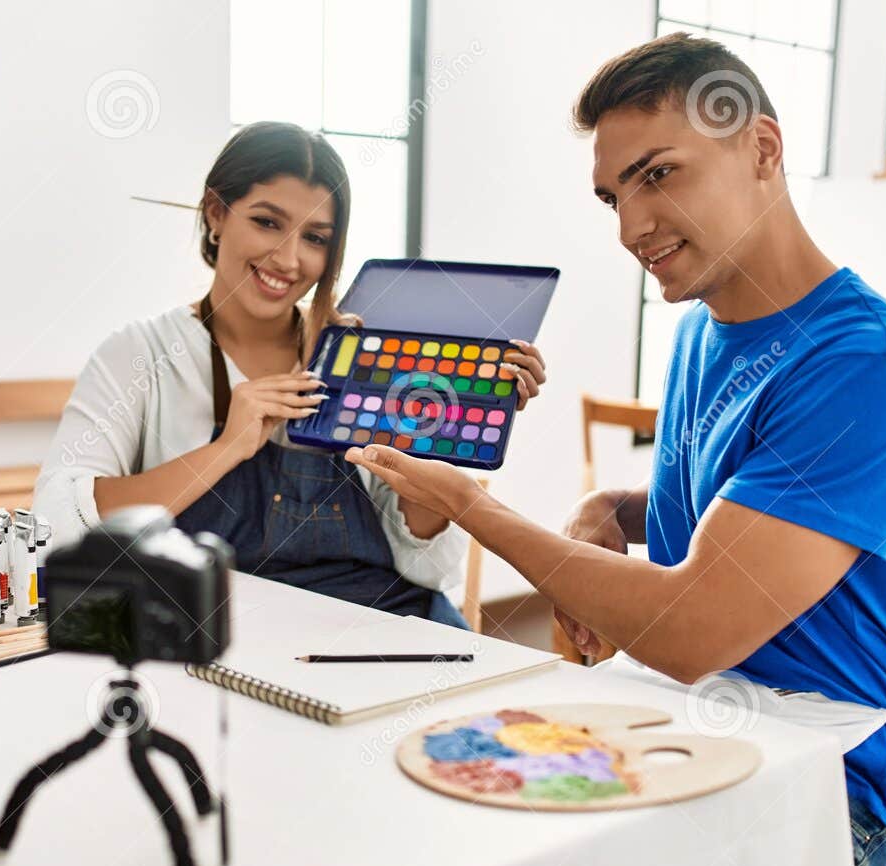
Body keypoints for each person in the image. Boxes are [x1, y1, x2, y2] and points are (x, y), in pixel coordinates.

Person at [346, 34, 886, 866]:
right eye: (612, 194)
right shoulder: (705, 330)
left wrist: (472, 505)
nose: (630, 227)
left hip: (825, 798)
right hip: (678, 733)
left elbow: (694, 625)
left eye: (658, 175)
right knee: (431, 856)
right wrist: (610, 507)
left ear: (763, 151)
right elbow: (731, 512)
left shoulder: (869, 367)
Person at [35, 121, 546, 626]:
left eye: (316, 238)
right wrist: (225, 449)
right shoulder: (139, 354)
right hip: (215, 632)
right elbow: (57, 528)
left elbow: (429, 568)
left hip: (382, 627)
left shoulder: (361, 356)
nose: (289, 258)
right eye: (267, 222)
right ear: (217, 213)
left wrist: (447, 431)